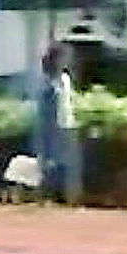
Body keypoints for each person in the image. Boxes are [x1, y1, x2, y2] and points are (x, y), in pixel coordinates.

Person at [34, 45, 81, 203]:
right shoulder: (47, 83)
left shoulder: (65, 79)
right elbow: (45, 110)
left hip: (68, 124)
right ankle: (47, 197)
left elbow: (69, 102)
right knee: (50, 162)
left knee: (71, 165)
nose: (66, 61)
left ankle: (70, 198)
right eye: (63, 57)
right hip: (53, 126)